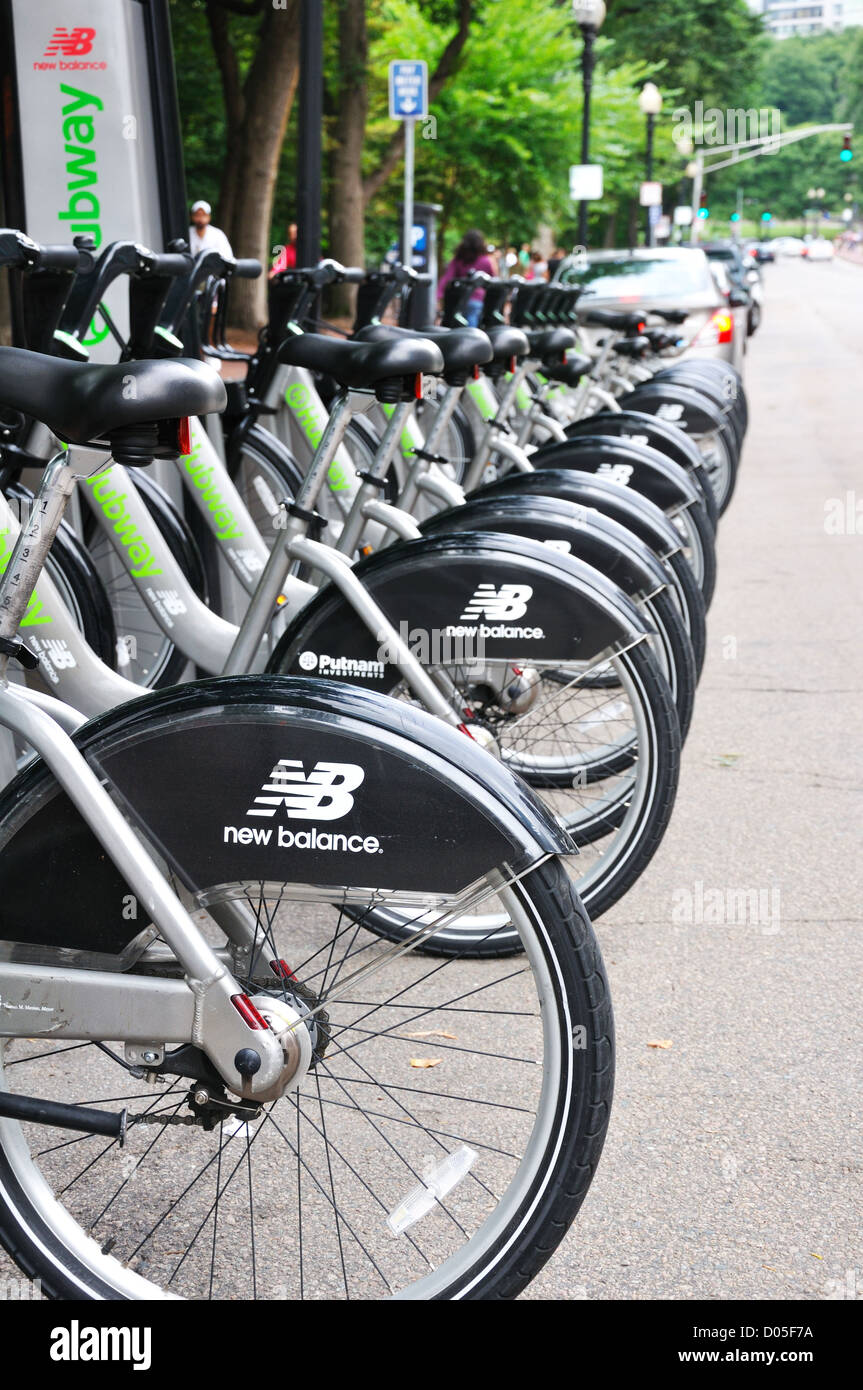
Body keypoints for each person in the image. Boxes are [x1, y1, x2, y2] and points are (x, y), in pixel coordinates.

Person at [437, 229, 497, 326]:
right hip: (479, 300)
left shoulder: (458, 260)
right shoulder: (486, 261)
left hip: (458, 300)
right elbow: (493, 281)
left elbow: (447, 278)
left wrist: (439, 296)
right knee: (473, 314)